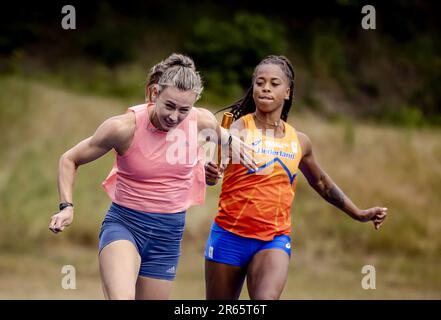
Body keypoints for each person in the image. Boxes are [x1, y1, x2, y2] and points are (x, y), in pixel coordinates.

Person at [48, 53, 256, 300]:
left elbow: (211, 150)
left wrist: (221, 158)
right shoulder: (123, 128)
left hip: (168, 235)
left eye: (183, 110)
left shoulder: (201, 121)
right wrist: (66, 207)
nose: (174, 117)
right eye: (169, 105)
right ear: (154, 93)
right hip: (125, 225)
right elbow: (69, 159)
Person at [204, 55, 388, 300]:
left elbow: (322, 183)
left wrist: (360, 213)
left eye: (274, 83)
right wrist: (212, 173)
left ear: (287, 92)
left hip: (273, 240)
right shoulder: (238, 129)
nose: (266, 87)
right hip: (229, 236)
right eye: (260, 83)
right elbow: (219, 165)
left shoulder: (299, 141)